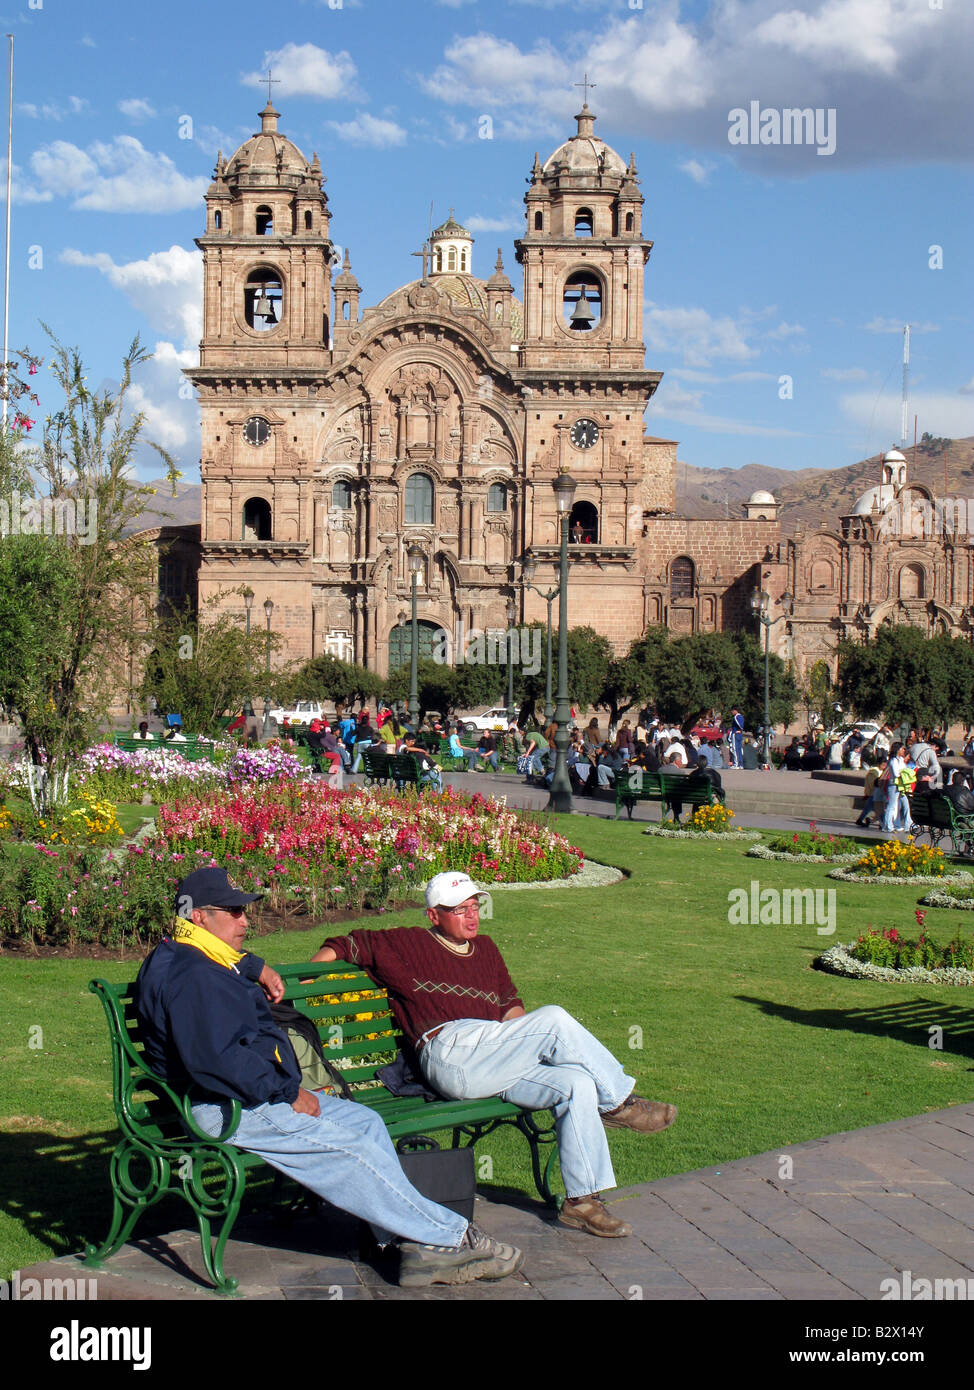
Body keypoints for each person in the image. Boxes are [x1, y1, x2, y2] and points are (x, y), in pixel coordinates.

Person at [133, 867, 521, 1288]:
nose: (246, 921)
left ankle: (401, 1243)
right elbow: (218, 1063)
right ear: (199, 917)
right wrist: (287, 1092)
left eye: (244, 910)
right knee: (349, 1150)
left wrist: (256, 966)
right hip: (226, 1105)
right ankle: (451, 1237)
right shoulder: (192, 976)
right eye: (234, 911)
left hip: (247, 1093)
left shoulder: (192, 953)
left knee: (366, 1123)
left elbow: (221, 1007)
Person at [310, 871, 677, 1239]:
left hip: (494, 1056)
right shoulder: (408, 944)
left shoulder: (486, 950)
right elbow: (349, 943)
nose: (472, 916)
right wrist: (307, 976)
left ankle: (581, 1202)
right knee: (554, 1019)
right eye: (459, 909)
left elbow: (511, 1014)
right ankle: (617, 1103)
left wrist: (529, 1048)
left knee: (576, 1083)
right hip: (449, 1054)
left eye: (475, 906)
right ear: (434, 915)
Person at [856, 755, 888, 827]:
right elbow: (872, 784)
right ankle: (881, 823)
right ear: (879, 764)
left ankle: (862, 820)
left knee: (869, 808)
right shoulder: (873, 772)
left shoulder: (880, 771)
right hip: (873, 794)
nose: (884, 767)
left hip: (874, 794)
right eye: (883, 765)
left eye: (885, 765)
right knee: (879, 810)